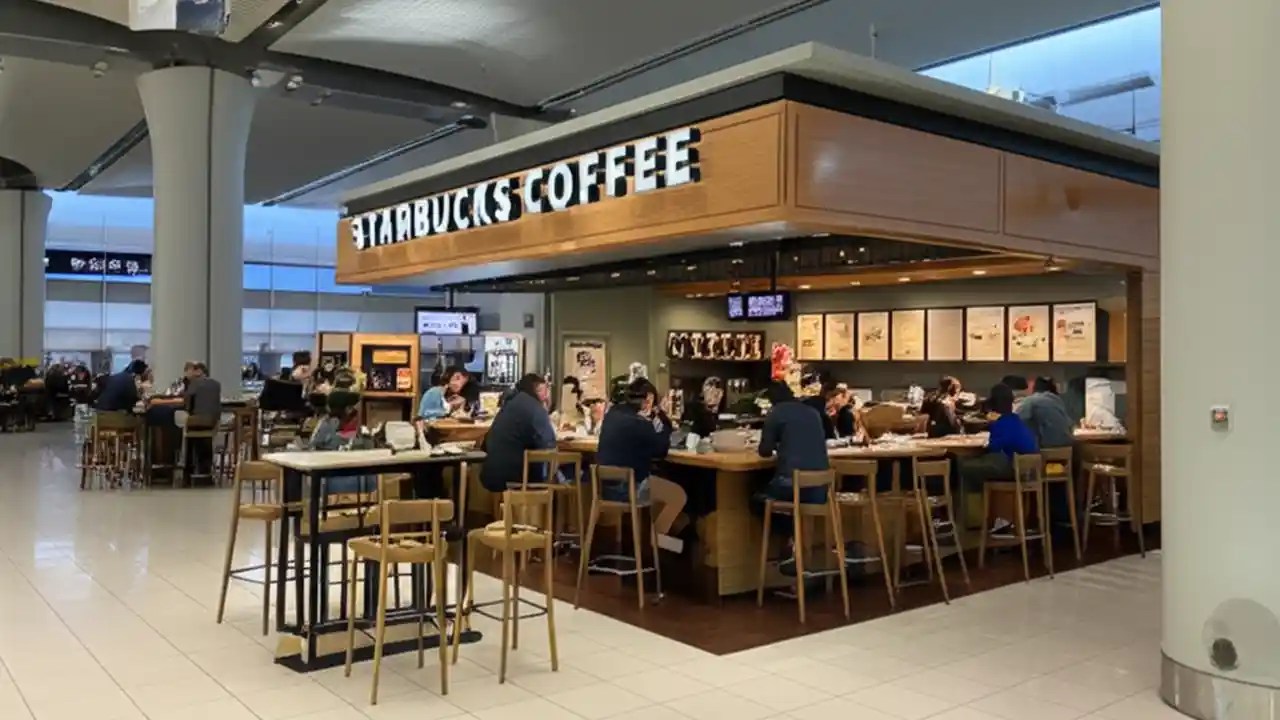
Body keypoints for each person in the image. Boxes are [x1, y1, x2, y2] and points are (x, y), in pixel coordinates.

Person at [596, 378, 688, 537]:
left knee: (658, 490)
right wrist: (664, 420)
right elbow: (661, 449)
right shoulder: (640, 423)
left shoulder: (612, 415)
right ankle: (657, 544)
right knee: (678, 495)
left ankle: (655, 541)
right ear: (649, 400)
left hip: (604, 488)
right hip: (629, 490)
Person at [479, 373, 558, 492]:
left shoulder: (510, 404)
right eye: (544, 390)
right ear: (536, 390)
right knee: (560, 470)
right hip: (517, 475)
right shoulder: (534, 407)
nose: (546, 396)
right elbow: (549, 444)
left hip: (491, 473)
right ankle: (556, 508)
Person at [757, 381, 829, 503]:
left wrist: (777, 445)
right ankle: (795, 521)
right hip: (821, 488)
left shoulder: (776, 412)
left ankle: (783, 521)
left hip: (792, 487)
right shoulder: (813, 412)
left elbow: (765, 451)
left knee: (756, 496)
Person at [960, 383, 1038, 491]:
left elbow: (994, 447)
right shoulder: (1017, 420)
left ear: (994, 404)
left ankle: (973, 506)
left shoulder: (999, 423)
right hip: (1027, 470)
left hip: (1012, 468)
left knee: (964, 467)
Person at [1018, 376, 1074, 449]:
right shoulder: (1058, 401)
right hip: (1065, 446)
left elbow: (1019, 420)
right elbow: (1070, 424)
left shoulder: (1031, 401)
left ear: (1034, 389)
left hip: (1045, 447)